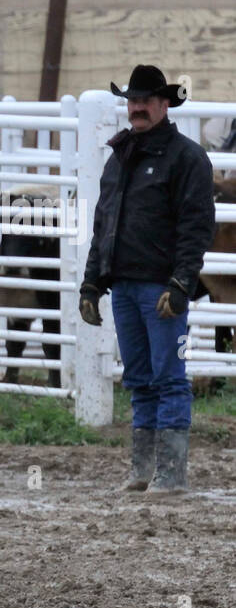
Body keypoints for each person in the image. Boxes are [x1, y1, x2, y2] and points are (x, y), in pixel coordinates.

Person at [79, 64, 216, 494]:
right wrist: (92, 282)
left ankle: (169, 473)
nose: (136, 107)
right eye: (132, 101)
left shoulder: (186, 158)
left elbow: (196, 227)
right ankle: (144, 470)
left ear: (163, 104)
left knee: (169, 376)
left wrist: (180, 283)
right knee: (139, 376)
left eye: (145, 101)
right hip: (124, 283)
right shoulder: (120, 157)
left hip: (160, 286)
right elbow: (104, 224)